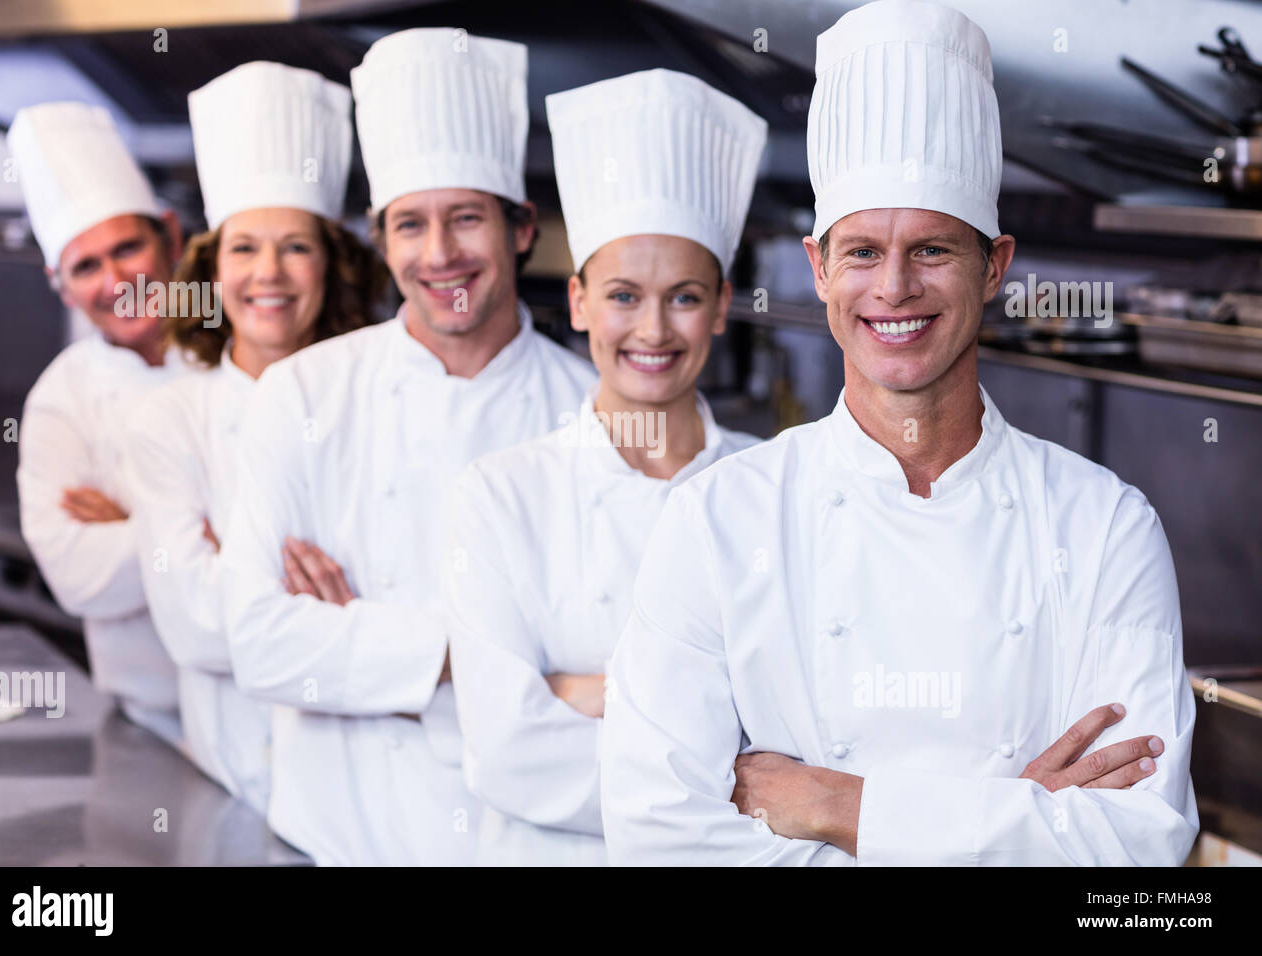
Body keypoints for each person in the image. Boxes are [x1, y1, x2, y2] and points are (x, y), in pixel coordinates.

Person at [599, 0, 1199, 866]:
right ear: (818, 268)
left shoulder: (1106, 526)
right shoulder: (716, 521)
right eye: (862, 253)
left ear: (994, 265)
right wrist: (1013, 817)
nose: (894, 288)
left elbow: (1138, 851)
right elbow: (659, 842)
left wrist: (835, 805)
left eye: (932, 251)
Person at [219, 28, 596, 866]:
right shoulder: (304, 395)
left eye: (466, 218)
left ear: (521, 227)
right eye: (410, 225)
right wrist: (491, 663)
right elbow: (258, 643)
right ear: (381, 237)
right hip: (326, 838)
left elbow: (607, 671)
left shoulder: (592, 419)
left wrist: (364, 646)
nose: (440, 255)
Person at [445, 69, 767, 866]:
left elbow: (822, 732)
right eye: (624, 296)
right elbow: (507, 755)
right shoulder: (500, 495)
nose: (653, 329)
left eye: (684, 297)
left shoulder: (773, 488)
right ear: (581, 301)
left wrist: (586, 694)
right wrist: (738, 762)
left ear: (723, 306)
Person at [122, 62, 384, 812]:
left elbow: (410, 597)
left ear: (334, 266)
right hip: (232, 774)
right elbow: (197, 630)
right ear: (212, 265)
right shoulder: (170, 420)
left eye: (297, 246)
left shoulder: (378, 400)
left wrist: (239, 569)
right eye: (244, 248)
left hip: (369, 780)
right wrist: (337, 612)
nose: (269, 272)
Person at [10, 102, 187, 745]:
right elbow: (75, 577)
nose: (117, 281)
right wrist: (205, 535)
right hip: (147, 718)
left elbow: (274, 548)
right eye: (87, 266)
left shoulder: (241, 355)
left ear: (169, 236)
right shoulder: (60, 399)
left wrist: (133, 529)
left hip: (274, 710)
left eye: (128, 247)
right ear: (61, 285)